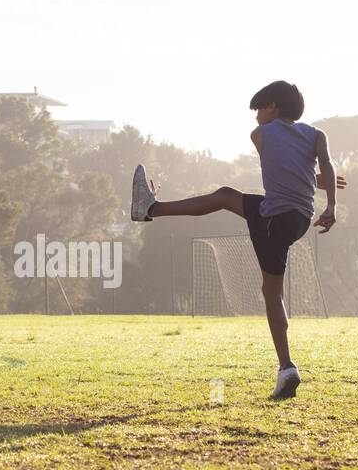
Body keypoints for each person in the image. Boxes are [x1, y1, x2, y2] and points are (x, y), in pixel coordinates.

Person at [131, 79, 341, 399]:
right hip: (297, 219)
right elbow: (320, 165)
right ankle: (287, 370)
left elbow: (282, 165)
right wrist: (329, 202)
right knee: (269, 286)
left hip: (273, 218)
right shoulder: (317, 134)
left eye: (260, 107)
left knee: (226, 201)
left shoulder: (261, 134)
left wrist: (310, 178)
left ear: (274, 107)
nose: (256, 114)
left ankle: (149, 210)